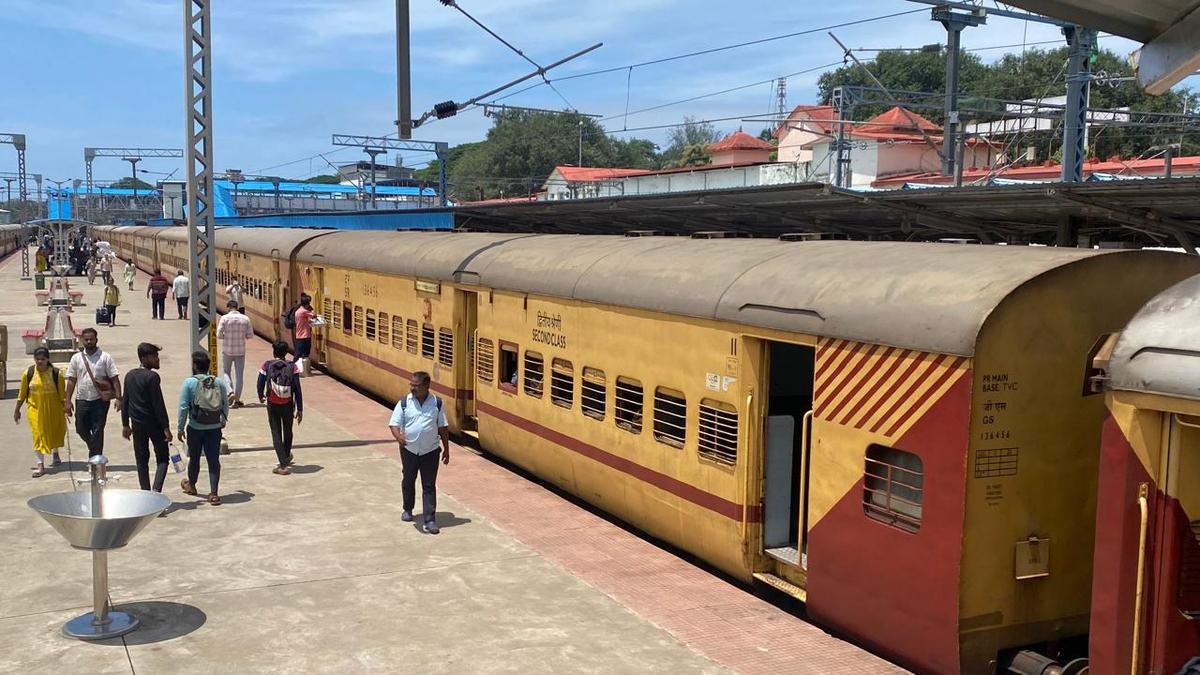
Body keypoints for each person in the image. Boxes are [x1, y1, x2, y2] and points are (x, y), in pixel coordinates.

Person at [388, 371, 450, 534]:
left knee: (429, 485)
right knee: (408, 479)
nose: (413, 388)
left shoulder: (437, 403)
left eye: (416, 386)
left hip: (430, 451)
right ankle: (407, 509)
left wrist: (446, 450)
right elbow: (394, 424)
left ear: (426, 386)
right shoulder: (404, 402)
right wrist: (399, 437)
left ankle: (430, 520)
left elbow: (443, 427)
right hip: (409, 450)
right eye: (411, 385)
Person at [178, 350, 229, 505]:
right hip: (214, 428)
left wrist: (180, 428)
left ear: (195, 366)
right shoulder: (218, 382)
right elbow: (225, 403)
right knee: (213, 460)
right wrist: (223, 419)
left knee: (194, 458)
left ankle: (191, 485)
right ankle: (214, 493)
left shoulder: (189, 383)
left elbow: (183, 407)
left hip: (195, 427)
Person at [121, 343, 172, 492]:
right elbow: (158, 404)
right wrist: (166, 427)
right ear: (144, 358)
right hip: (154, 424)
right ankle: (156, 492)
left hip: (137, 424)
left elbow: (125, 401)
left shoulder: (130, 375)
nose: (157, 359)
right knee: (163, 458)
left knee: (141, 460)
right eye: (154, 356)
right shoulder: (152, 377)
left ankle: (145, 493)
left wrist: (125, 424)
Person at [64, 328, 122, 458]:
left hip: (100, 401)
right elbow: (72, 380)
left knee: (98, 430)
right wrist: (67, 400)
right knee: (80, 428)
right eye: (86, 339)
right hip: (82, 399)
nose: (89, 341)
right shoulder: (76, 358)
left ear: (96, 340)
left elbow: (115, 378)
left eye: (91, 339)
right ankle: (93, 448)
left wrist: (119, 398)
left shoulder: (105, 357)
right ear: (82, 341)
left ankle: (96, 459)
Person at [13, 347, 66, 478]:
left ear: (48, 359)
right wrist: (17, 409)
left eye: (43, 359)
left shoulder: (56, 374)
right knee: (38, 435)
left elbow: (62, 394)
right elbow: (22, 393)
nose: (40, 362)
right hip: (35, 410)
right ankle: (40, 465)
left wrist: (66, 407)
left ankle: (55, 453)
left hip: (54, 410)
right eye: (37, 359)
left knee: (53, 432)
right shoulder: (28, 373)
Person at [257, 340, 303, 475]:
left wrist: (261, 396)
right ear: (286, 352)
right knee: (288, 431)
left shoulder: (267, 365)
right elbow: (297, 389)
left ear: (274, 352)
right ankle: (286, 456)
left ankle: (282, 465)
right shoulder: (292, 366)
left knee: (276, 432)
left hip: (272, 403)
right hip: (288, 404)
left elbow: (259, 383)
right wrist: (300, 409)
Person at [217, 299, 253, 407]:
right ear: (237, 307)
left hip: (227, 350)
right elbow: (250, 335)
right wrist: (243, 336)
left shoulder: (224, 318)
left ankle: (230, 391)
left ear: (228, 307)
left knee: (226, 372)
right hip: (240, 351)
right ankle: (237, 400)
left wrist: (225, 337)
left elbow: (218, 334)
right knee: (239, 376)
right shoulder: (245, 318)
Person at [293, 294, 313, 372]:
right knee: (303, 353)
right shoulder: (304, 311)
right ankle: (296, 368)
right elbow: (314, 316)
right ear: (307, 304)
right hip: (304, 336)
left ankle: (301, 368)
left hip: (299, 335)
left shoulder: (298, 310)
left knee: (299, 353)